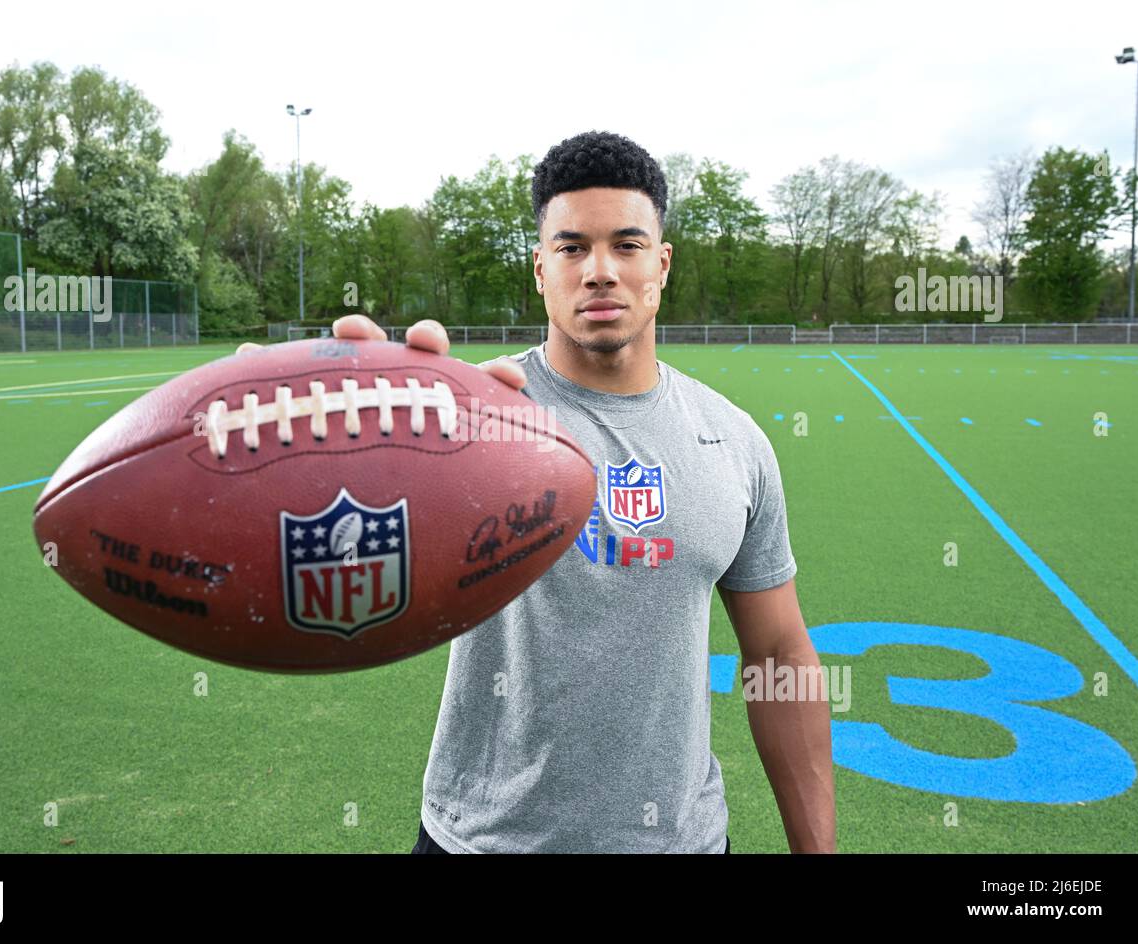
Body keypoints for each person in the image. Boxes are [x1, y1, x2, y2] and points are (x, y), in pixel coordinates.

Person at [246, 130, 835, 854]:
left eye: (626, 245)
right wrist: (301, 468)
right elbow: (342, 569)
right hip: (482, 841)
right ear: (539, 268)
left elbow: (777, 652)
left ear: (661, 262)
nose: (600, 271)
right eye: (572, 248)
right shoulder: (466, 418)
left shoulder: (733, 441)